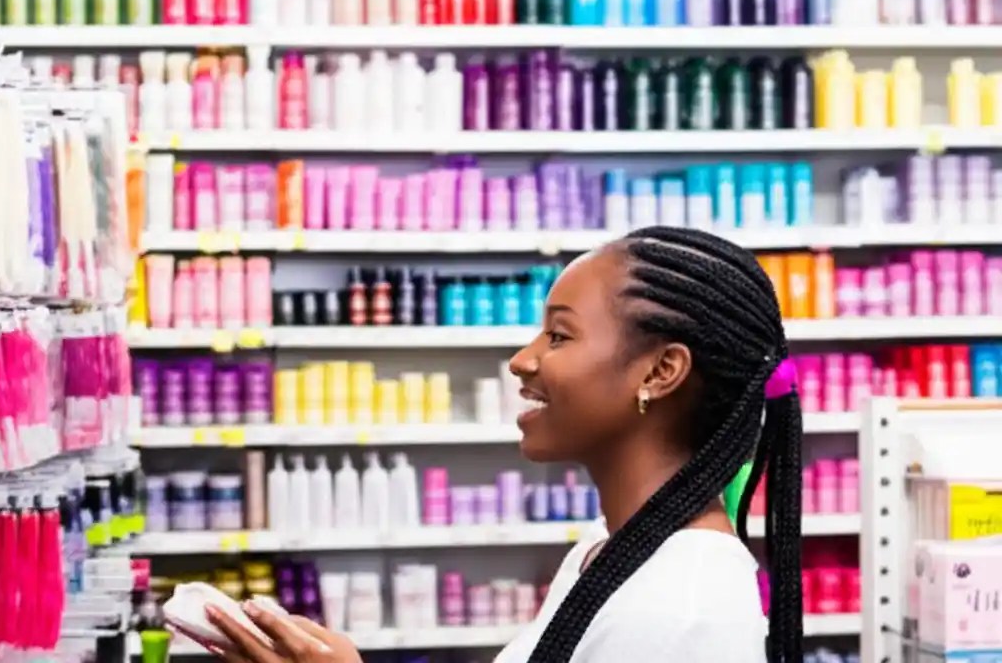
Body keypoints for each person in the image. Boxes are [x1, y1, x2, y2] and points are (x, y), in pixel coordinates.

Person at [200, 226, 804, 663]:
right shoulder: (611, 551)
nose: (522, 360)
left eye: (559, 336)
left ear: (659, 371)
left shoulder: (678, 611)